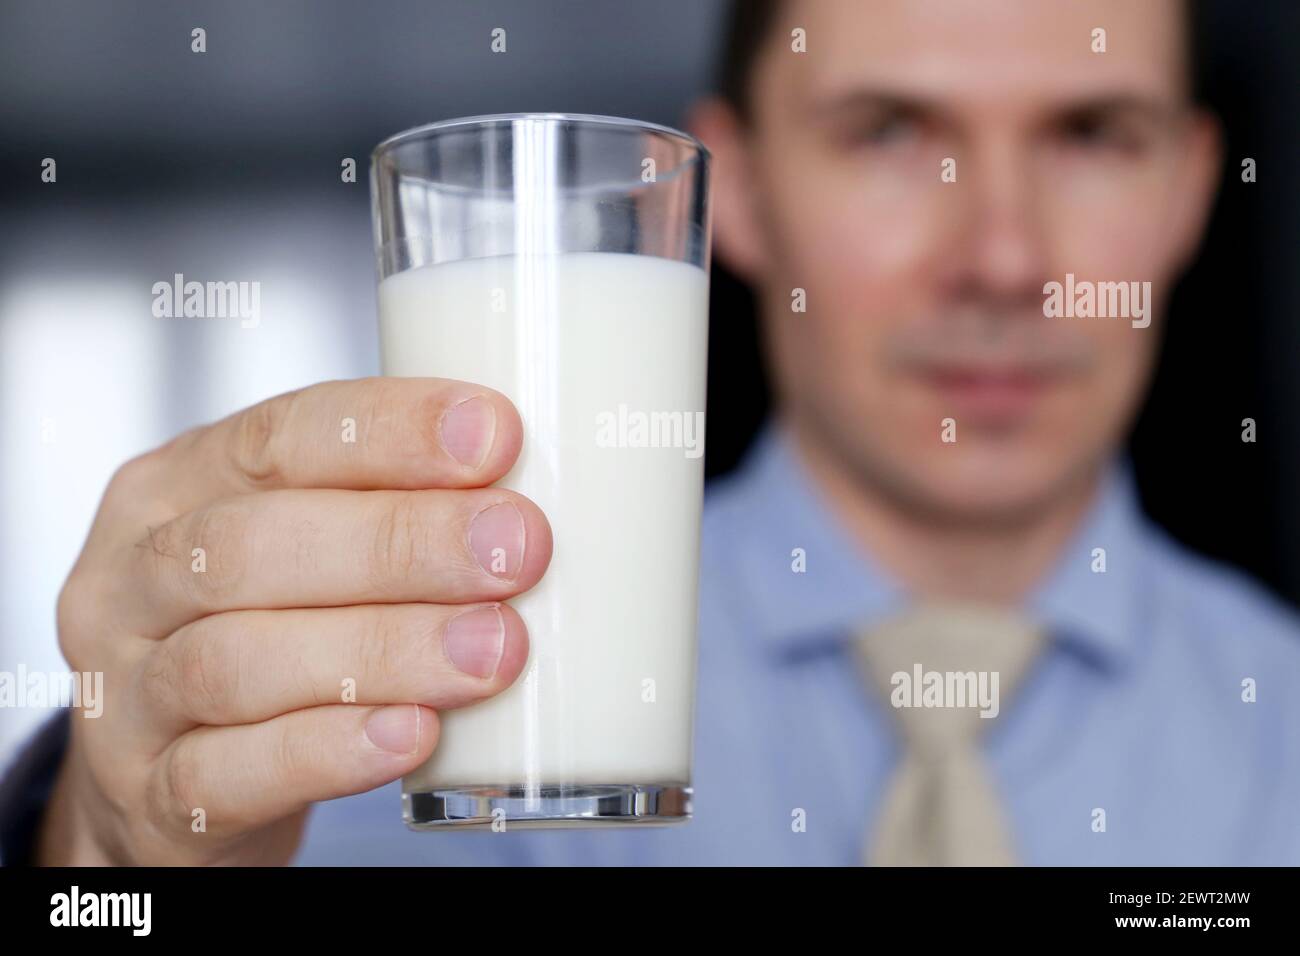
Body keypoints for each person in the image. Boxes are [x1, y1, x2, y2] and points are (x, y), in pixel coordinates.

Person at [4, 0, 1297, 866]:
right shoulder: (401, 707)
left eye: (1090, 134)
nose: (1004, 259)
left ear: (1190, 189)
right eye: (892, 132)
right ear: (737, 193)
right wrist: (99, 853)